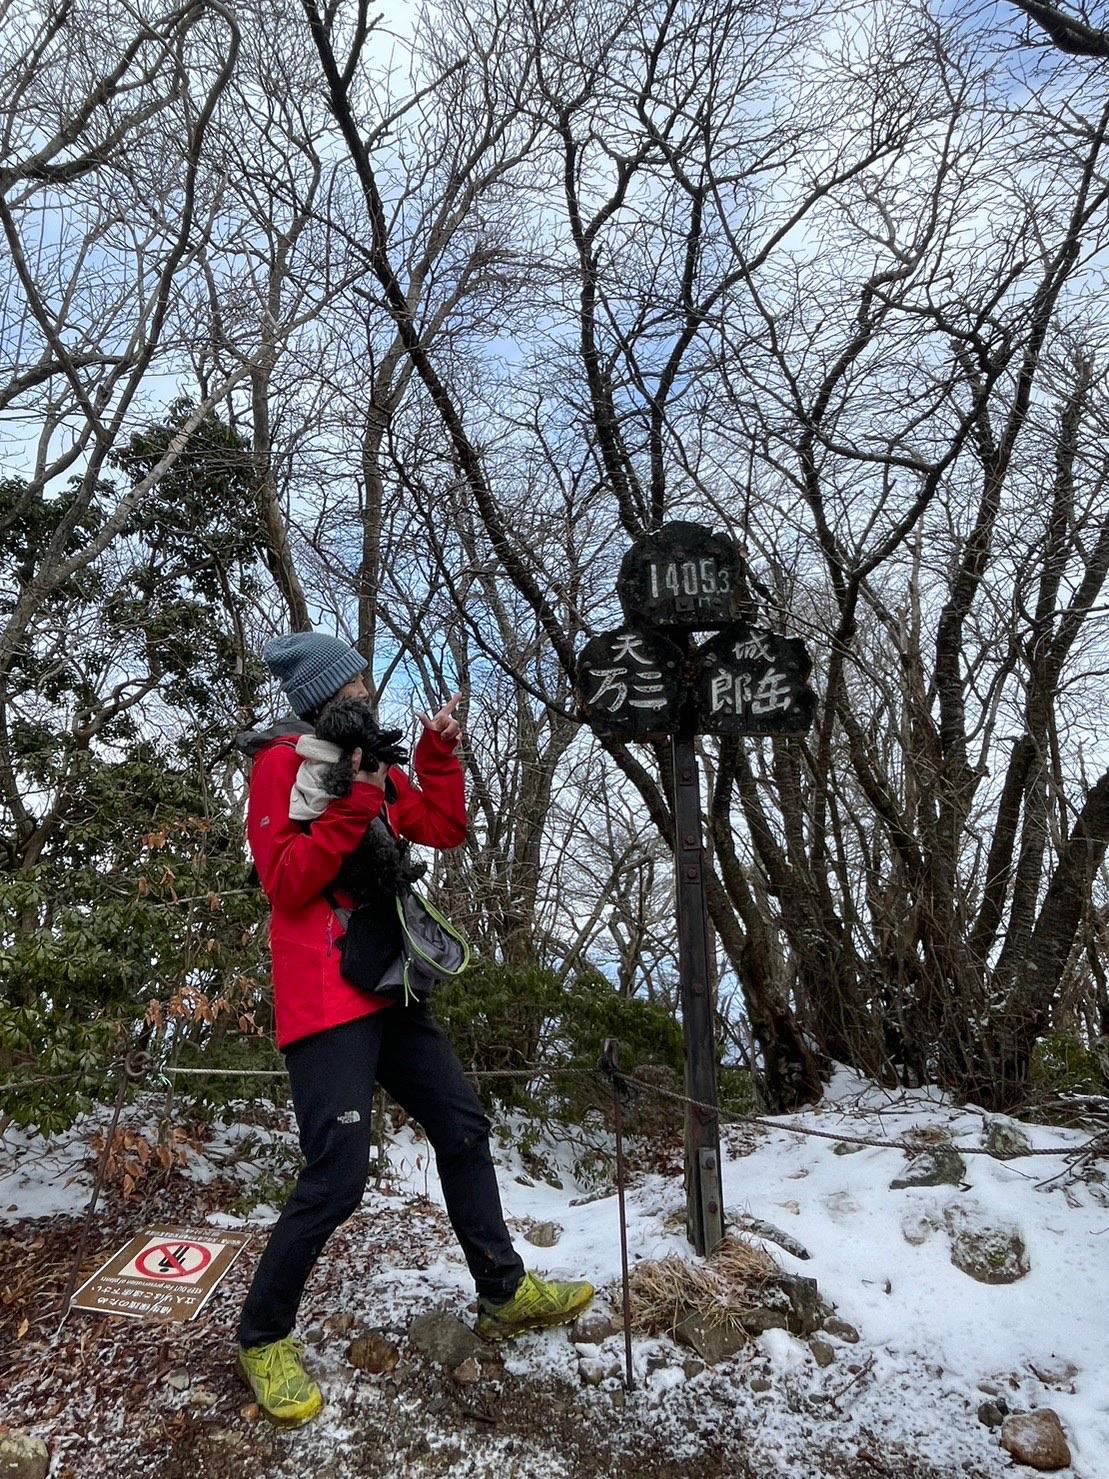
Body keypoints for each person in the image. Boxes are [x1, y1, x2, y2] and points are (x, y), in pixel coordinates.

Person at [234, 631, 593, 1425]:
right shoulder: (283, 765)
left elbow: (442, 827)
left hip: (390, 981)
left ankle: (502, 1289)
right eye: (356, 682)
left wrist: (435, 754)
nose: (368, 691)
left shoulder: (375, 761)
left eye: (367, 679)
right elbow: (284, 883)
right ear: (326, 694)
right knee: (337, 1177)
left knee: (463, 1127)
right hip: (326, 994)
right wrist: (354, 803)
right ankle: (262, 1336)